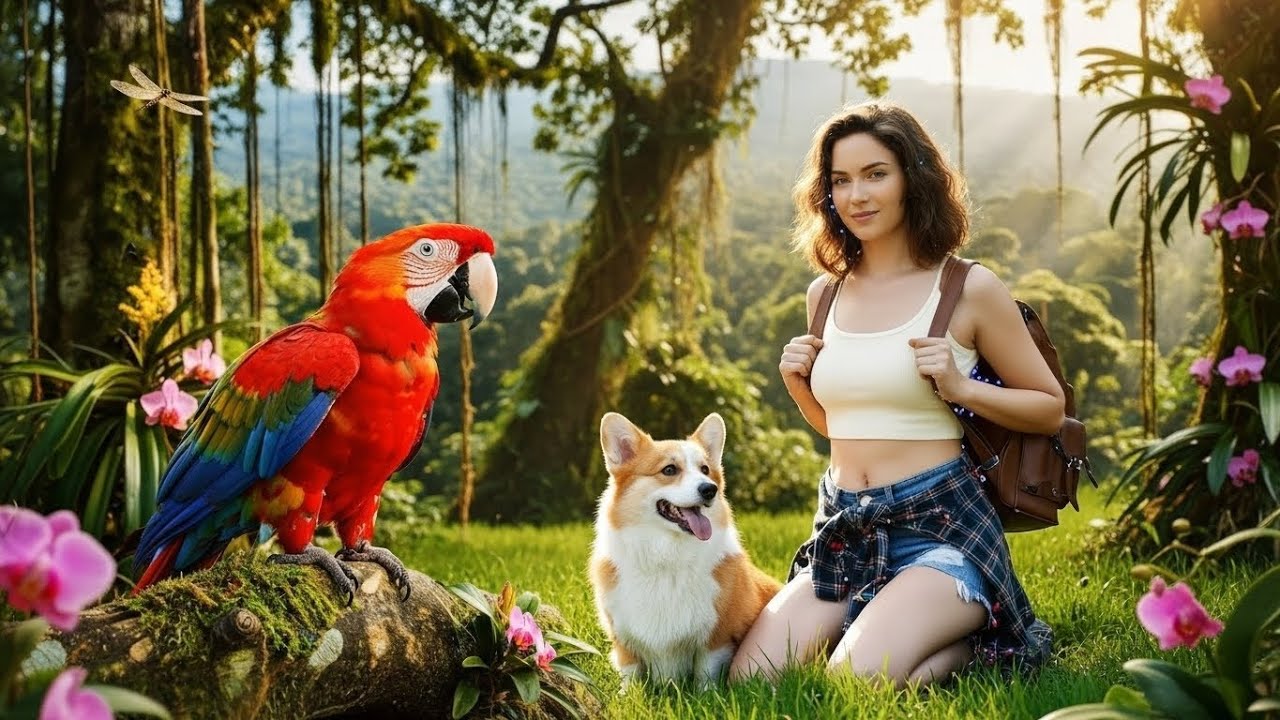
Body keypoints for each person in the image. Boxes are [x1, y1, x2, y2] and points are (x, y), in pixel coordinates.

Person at [728, 100, 1059, 688]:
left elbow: (1049, 407)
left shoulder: (967, 288)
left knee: (852, 683)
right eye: (840, 180)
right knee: (751, 681)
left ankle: (980, 642)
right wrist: (798, 387)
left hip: (939, 530)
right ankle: (904, 633)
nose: (856, 195)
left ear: (913, 178)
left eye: (875, 174)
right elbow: (845, 428)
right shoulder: (824, 296)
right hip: (845, 529)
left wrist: (959, 387)